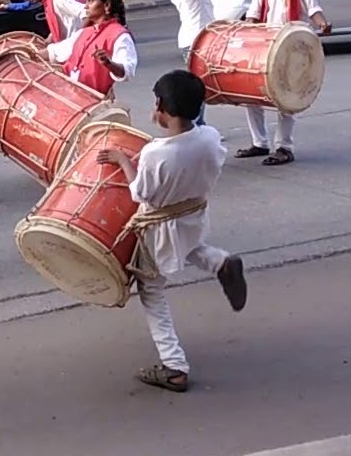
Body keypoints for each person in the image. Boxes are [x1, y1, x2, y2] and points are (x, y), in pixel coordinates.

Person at [95, 69, 247, 393]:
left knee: (152, 292)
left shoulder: (157, 152)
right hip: (193, 215)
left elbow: (141, 192)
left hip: (160, 226)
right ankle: (221, 263)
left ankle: (174, 366)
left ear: (161, 107)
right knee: (189, 245)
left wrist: (122, 159)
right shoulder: (209, 136)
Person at [234, 0, 332, 166]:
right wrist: (243, 33)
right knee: (252, 95)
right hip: (267, 47)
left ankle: (284, 147)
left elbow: (313, 9)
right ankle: (259, 142)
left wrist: (323, 25)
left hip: (293, 49)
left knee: (287, 98)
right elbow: (253, 15)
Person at [170, 0, 260, 126]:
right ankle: (194, 127)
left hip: (201, 41)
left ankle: (197, 126)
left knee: (202, 87)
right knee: (199, 88)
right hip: (194, 43)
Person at [37, 0, 137, 99]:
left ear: (107, 5)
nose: (85, 7)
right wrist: (29, 55)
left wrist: (108, 63)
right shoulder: (84, 32)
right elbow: (56, 51)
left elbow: (126, 71)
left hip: (96, 103)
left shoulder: (120, 35)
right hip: (73, 97)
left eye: (90, 1)